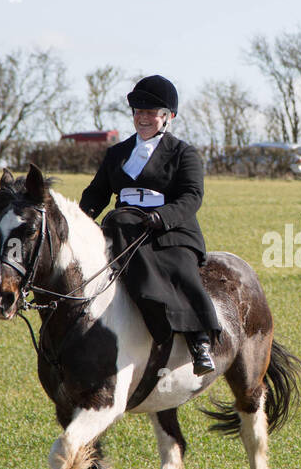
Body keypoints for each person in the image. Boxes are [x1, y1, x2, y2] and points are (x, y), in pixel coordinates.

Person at [79, 74, 219, 375]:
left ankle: (199, 339)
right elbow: (97, 193)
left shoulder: (184, 153)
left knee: (181, 269)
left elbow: (192, 196)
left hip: (169, 229)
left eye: (150, 113)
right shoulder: (116, 153)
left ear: (167, 117)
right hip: (123, 227)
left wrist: (161, 217)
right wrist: (80, 218)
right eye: (138, 112)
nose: (143, 118)